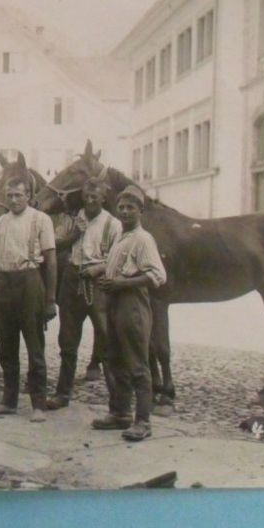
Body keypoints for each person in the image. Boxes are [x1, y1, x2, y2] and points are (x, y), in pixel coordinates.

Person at [90, 185, 167, 441]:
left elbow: (157, 275)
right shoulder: (121, 237)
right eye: (121, 207)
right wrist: (103, 274)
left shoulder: (143, 239)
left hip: (132, 304)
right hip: (114, 301)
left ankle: (143, 421)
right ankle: (120, 413)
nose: (125, 212)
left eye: (130, 208)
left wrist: (123, 283)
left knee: (137, 363)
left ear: (140, 211)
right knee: (116, 360)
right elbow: (118, 267)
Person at [0, 176, 57, 422]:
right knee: (6, 346)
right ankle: (9, 401)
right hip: (4, 282)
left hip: (30, 280)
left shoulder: (40, 219)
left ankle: (38, 404)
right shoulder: (1, 222)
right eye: (10, 195)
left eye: (18, 195)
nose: (13, 200)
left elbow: (51, 261)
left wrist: (50, 299)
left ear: (29, 196)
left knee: (35, 346)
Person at [47, 179, 122, 410]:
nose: (90, 201)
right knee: (67, 341)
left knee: (107, 340)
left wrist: (99, 268)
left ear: (103, 198)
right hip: (72, 278)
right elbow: (54, 246)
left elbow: (119, 259)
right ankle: (63, 394)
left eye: (94, 197)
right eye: (87, 196)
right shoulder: (72, 219)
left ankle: (117, 402)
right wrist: (74, 234)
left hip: (99, 283)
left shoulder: (113, 224)